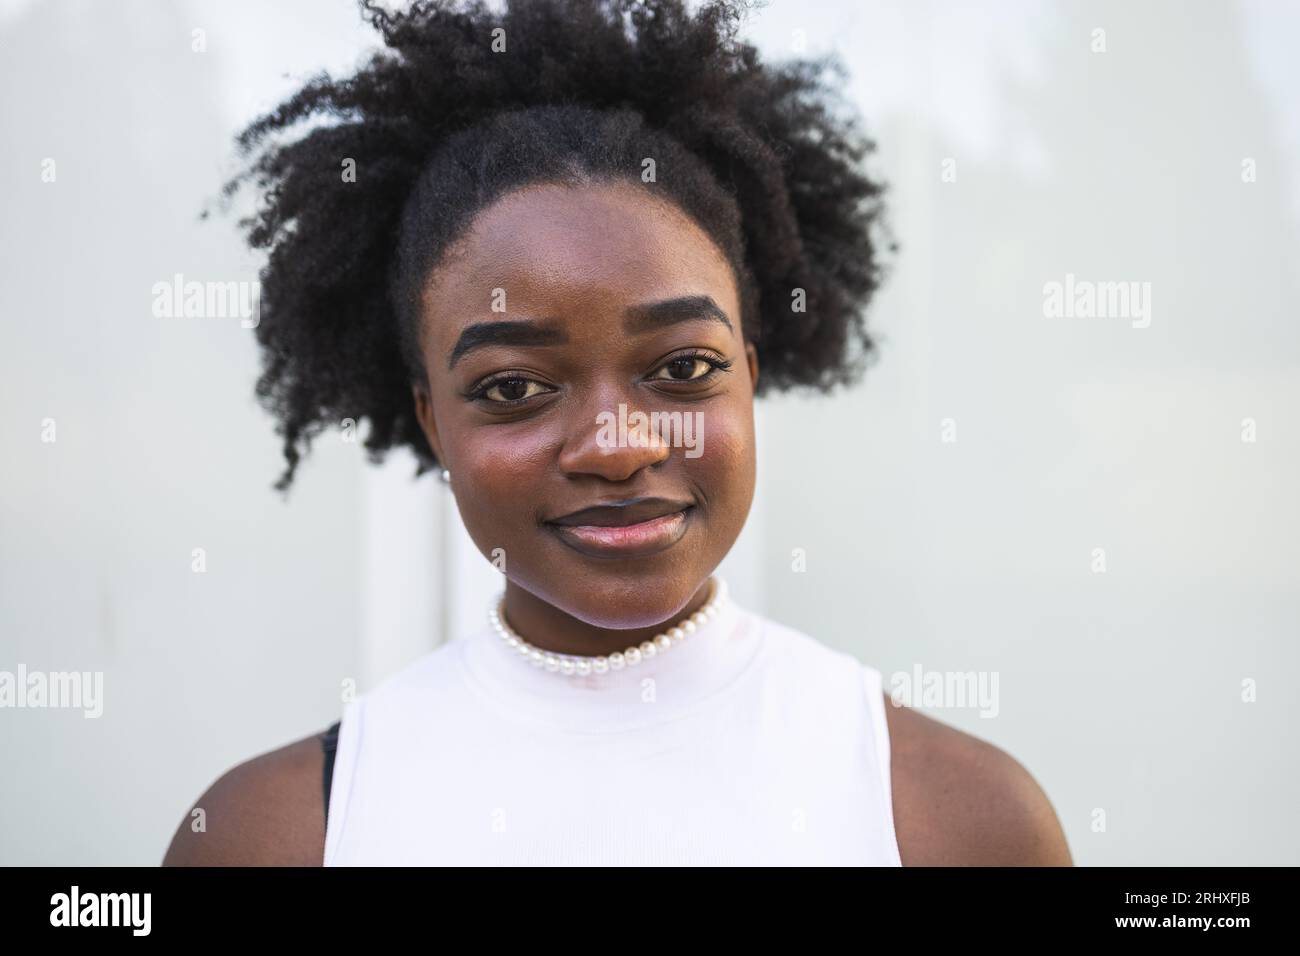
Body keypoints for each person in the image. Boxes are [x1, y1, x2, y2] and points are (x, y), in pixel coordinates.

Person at [163, 0, 1071, 866]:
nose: (617, 444)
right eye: (514, 385)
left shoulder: (959, 822)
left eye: (683, 369)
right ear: (434, 420)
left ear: (750, 373)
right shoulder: (278, 835)